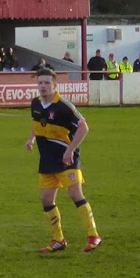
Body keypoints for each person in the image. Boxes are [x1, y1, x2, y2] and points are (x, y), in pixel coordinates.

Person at [27, 68, 101, 253]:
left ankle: (93, 235)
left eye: (46, 83)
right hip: (47, 160)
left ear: (54, 85)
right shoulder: (35, 103)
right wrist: (31, 138)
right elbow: (36, 123)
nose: (42, 86)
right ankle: (58, 239)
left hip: (66, 159)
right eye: (40, 83)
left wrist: (70, 149)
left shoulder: (64, 106)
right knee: (46, 199)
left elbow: (84, 127)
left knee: (75, 194)